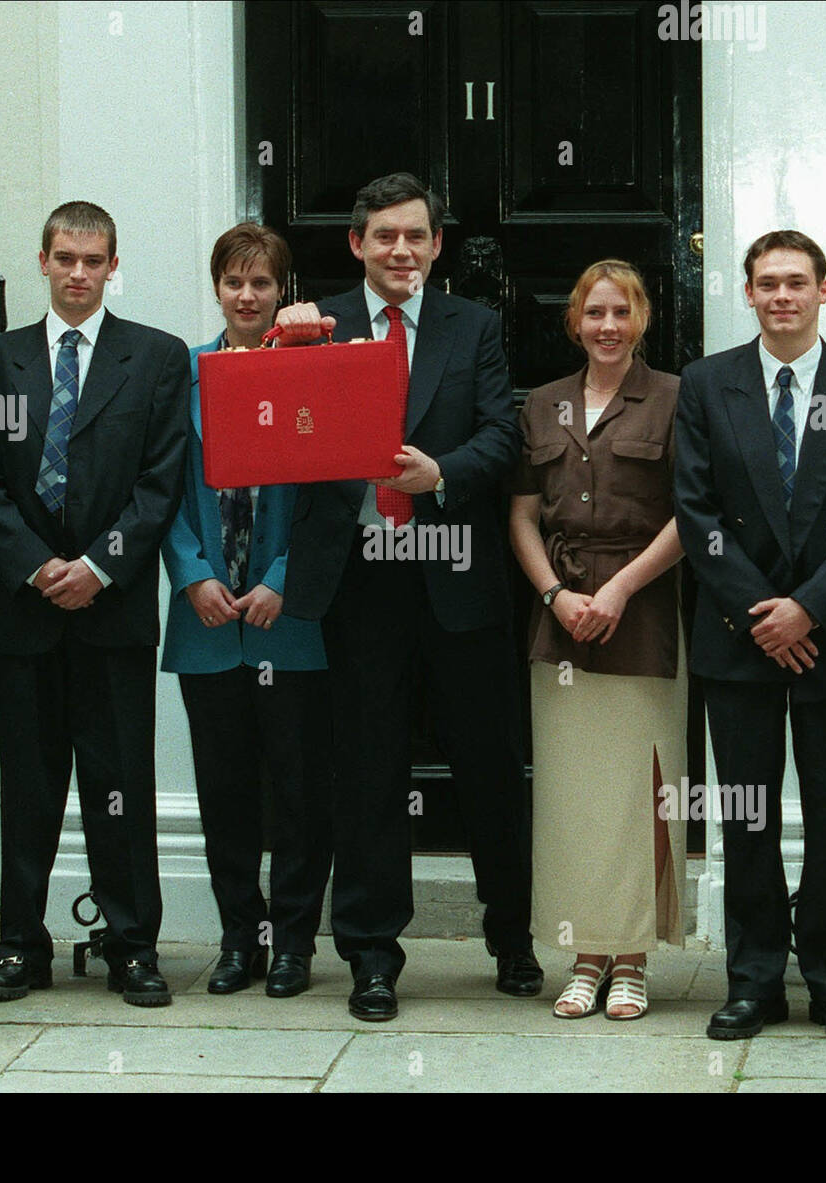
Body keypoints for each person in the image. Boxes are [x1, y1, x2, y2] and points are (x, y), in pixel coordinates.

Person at [274, 172, 540, 1021]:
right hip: (361, 578)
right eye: (384, 235)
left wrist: (444, 473)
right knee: (368, 770)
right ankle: (371, 953)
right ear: (357, 244)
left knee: (491, 767)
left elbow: (504, 432)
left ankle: (513, 936)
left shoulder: (477, 326)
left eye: (416, 236)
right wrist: (279, 350)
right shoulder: (315, 326)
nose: (401, 250)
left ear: (434, 245)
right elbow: (271, 423)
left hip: (457, 567)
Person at [673, 229, 826, 1043]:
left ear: (822, 290)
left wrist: (806, 609)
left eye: (796, 283)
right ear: (747, 293)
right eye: (767, 282)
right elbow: (697, 514)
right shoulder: (707, 385)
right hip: (738, 636)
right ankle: (754, 981)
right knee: (746, 817)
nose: (781, 296)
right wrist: (761, 615)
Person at [0, 201, 189, 1006]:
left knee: (119, 781)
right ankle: (21, 943)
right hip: (25, 613)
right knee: (28, 783)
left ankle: (131, 944)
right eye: (66, 258)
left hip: (112, 611)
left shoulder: (155, 359)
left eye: (94, 260)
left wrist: (98, 565)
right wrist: (35, 565)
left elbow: (161, 483)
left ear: (113, 264)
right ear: (43, 261)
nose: (79, 273)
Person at [509, 260, 687, 1020]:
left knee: (642, 791)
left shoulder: (677, 398)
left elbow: (692, 514)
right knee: (574, 793)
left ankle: (634, 957)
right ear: (574, 321)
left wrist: (618, 589)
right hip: (561, 617)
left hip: (643, 612)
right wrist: (556, 592)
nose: (608, 326)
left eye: (622, 311)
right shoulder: (542, 405)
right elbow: (520, 514)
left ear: (642, 318)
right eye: (594, 313)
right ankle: (584, 956)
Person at [161, 223, 331, 999]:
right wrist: (191, 575)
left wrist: (284, 579)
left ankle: (293, 942)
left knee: (298, 789)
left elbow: (335, 491)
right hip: (207, 619)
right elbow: (158, 489)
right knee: (225, 792)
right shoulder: (182, 374)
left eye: (262, 282)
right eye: (234, 281)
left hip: (284, 617)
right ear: (217, 287)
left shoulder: (310, 371)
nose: (247, 295)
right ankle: (240, 939)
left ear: (281, 292)